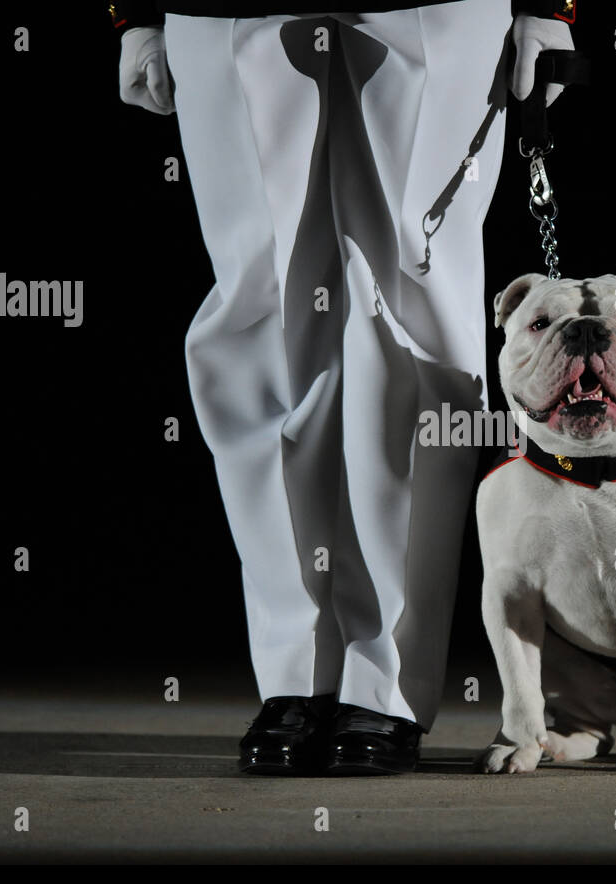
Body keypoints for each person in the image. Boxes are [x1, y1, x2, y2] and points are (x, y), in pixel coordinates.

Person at [112, 0, 576, 774]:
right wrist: (134, 12)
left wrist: (548, 4)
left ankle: (384, 678)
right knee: (255, 313)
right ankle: (296, 673)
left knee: (415, 306)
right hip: (223, 4)